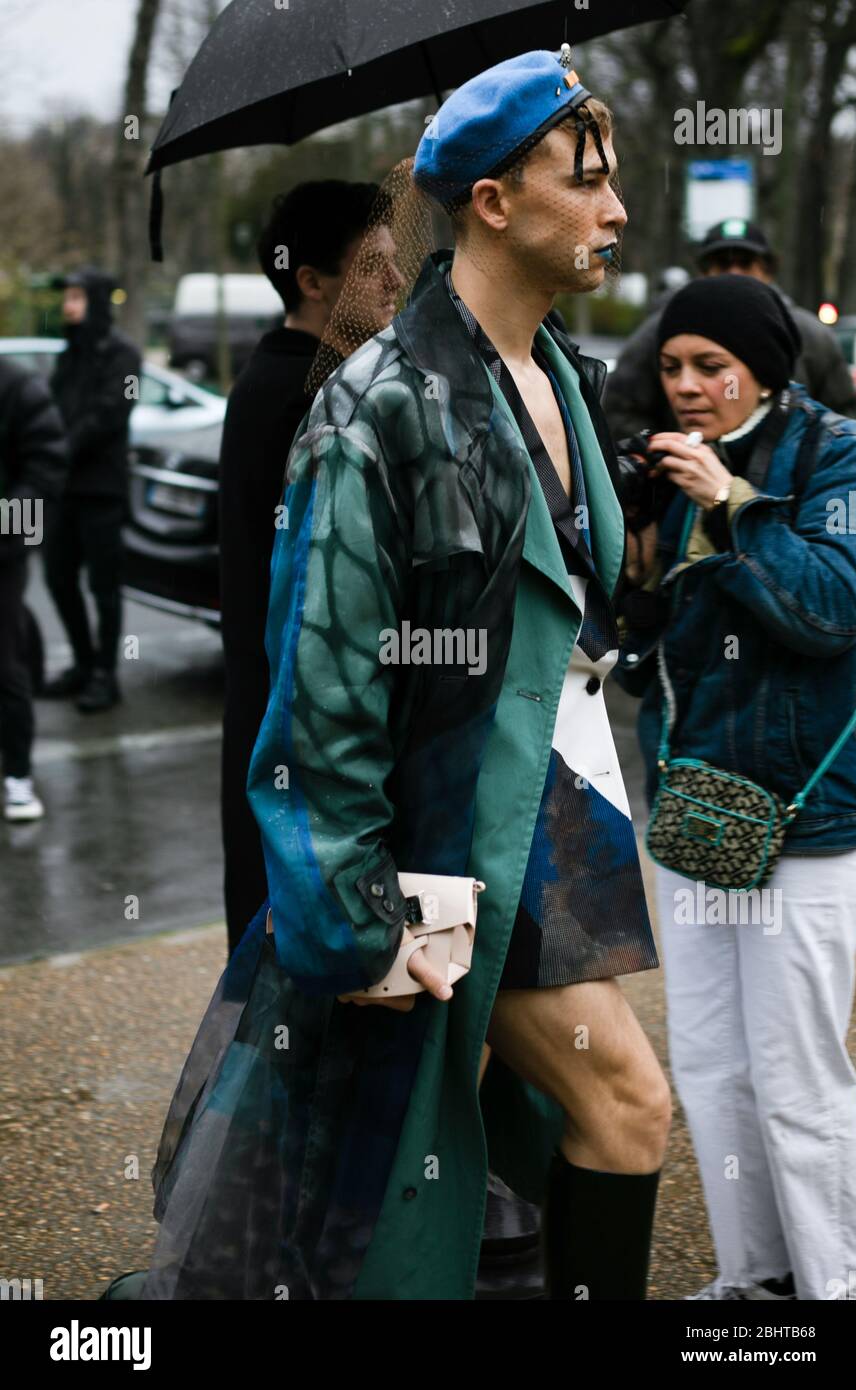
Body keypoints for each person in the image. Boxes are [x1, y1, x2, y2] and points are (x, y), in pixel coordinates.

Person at [102, 48, 669, 1303]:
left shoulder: (561, 375)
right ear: (493, 202)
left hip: (549, 818)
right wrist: (354, 921)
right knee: (614, 1105)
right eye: (584, 181)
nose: (616, 210)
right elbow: (320, 690)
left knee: (456, 1158)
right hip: (447, 845)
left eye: (613, 181)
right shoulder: (377, 405)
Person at [614, 273, 856, 1300]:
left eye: (708, 367)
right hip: (696, 811)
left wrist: (732, 506)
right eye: (671, 367)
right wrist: (635, 551)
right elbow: (650, 640)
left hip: (807, 820)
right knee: (712, 1071)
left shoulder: (838, 456)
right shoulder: (674, 469)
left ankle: (835, 1284)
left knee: (796, 1080)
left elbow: (832, 612)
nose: (684, 386)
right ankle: (754, 1282)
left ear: (761, 366)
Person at [219, 179, 404, 958]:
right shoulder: (312, 395)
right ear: (312, 281)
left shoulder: (292, 376)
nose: (398, 282)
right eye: (374, 267)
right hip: (297, 735)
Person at [603, 218, 856, 439]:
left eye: (745, 263)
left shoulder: (809, 334)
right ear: (703, 272)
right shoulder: (665, 331)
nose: (734, 273)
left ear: (767, 271)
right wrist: (664, 462)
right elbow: (621, 410)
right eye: (722, 264)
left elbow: (842, 416)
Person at [42, 268, 141, 712]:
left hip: (102, 490)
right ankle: (83, 664)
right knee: (57, 578)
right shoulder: (69, 355)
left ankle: (105, 674)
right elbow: (50, 409)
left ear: (97, 302)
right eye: (68, 296)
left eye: (78, 297)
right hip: (63, 490)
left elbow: (111, 413)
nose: (69, 304)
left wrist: (59, 448)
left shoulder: (124, 356)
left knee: (104, 587)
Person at [0, 359, 68, 820]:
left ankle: (18, 775)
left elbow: (45, 467)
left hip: (1, 556)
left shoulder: (16, 384)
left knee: (5, 664)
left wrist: (7, 535)